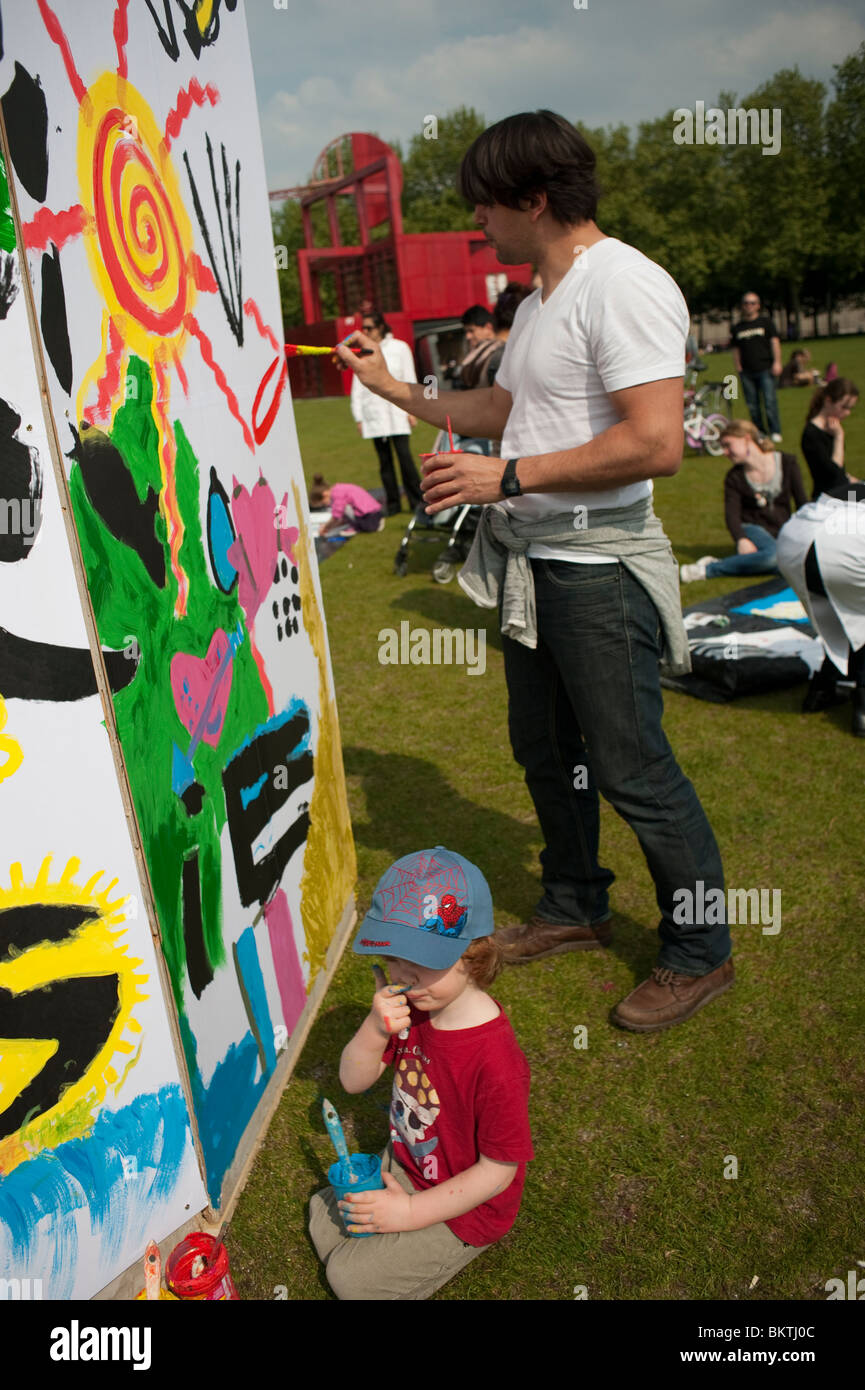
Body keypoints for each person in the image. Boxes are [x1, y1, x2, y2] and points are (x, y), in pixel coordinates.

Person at [338, 110, 733, 1033]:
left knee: (632, 769)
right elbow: (504, 406)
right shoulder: (539, 299)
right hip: (535, 567)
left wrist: (504, 475)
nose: (478, 220)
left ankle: (700, 950)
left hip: (595, 571)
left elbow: (655, 442)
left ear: (534, 198)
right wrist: (396, 392)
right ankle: (573, 905)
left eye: (485, 203)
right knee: (546, 753)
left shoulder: (623, 285)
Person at [308, 847, 533, 1300]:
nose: (403, 977)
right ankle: (378, 1244)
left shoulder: (497, 1062)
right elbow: (353, 1081)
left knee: (348, 1279)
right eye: (393, 959)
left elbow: (498, 1172)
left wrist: (410, 1213)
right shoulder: (413, 1009)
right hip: (406, 1165)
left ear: (473, 954)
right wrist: (375, 1027)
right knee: (321, 1209)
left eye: (422, 962)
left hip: (465, 1206)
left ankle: (389, 1253)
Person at [776, 483, 865, 737]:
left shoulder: (856, 491)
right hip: (838, 546)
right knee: (859, 615)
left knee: (846, 617)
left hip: (794, 539)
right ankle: (863, 711)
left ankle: (822, 689)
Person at [680, 420, 807, 581]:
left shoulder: (787, 462)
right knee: (774, 557)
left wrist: (804, 533)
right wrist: (741, 539)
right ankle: (706, 569)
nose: (725, 452)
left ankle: (737, 563)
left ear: (747, 438)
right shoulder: (734, 477)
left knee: (789, 564)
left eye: (728, 445)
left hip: (782, 528)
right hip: (752, 527)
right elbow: (731, 516)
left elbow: (802, 503)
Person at [350, 310, 423, 515]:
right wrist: (359, 416)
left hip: (397, 411)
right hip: (374, 414)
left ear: (380, 327)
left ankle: (416, 500)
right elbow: (358, 385)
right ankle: (393, 504)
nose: (365, 331)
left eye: (369, 328)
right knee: (384, 463)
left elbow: (409, 376)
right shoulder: (362, 351)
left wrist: (412, 409)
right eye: (363, 328)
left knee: (404, 458)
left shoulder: (399, 348)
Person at [730, 292, 783, 442]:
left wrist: (777, 362)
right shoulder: (737, 328)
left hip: (765, 368)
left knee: (769, 402)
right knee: (752, 405)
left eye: (752, 303)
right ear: (742, 306)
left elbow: (775, 343)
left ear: (758, 306)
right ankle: (760, 431)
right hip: (746, 371)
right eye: (746, 303)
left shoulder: (765, 322)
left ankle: (775, 431)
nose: (749, 306)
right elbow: (735, 349)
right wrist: (738, 366)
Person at [800, 378, 860, 500]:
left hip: (843, 489)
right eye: (844, 407)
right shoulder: (811, 435)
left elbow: (840, 472)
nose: (847, 413)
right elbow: (833, 473)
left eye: (850, 408)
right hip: (828, 498)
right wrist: (839, 437)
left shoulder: (832, 427)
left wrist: (853, 481)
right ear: (828, 401)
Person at [307, 475, 384, 537]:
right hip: (373, 511)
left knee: (345, 509)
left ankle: (360, 526)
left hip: (368, 515)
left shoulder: (336, 494)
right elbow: (340, 518)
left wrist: (326, 527)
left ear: (324, 494)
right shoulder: (338, 489)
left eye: (323, 503)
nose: (326, 505)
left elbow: (336, 516)